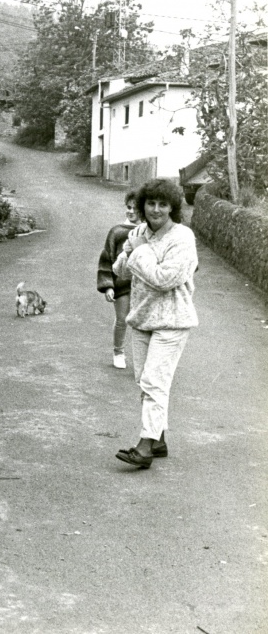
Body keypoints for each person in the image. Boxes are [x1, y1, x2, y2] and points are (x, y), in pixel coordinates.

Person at [112, 179, 198, 469]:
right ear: (142, 205)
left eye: (163, 204)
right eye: (151, 203)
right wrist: (130, 250)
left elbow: (165, 279)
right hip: (142, 318)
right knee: (144, 382)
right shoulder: (139, 233)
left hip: (172, 321)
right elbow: (120, 271)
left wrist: (140, 251)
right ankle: (158, 440)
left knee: (154, 382)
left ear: (173, 207)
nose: (156, 210)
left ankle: (145, 446)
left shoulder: (182, 238)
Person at [97, 189, 140, 370]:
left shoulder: (148, 233)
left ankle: (141, 358)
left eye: (135, 209)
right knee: (122, 319)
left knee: (142, 323)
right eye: (128, 207)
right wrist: (108, 286)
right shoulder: (117, 231)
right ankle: (118, 352)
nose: (131, 211)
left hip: (143, 285)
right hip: (121, 284)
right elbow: (106, 259)